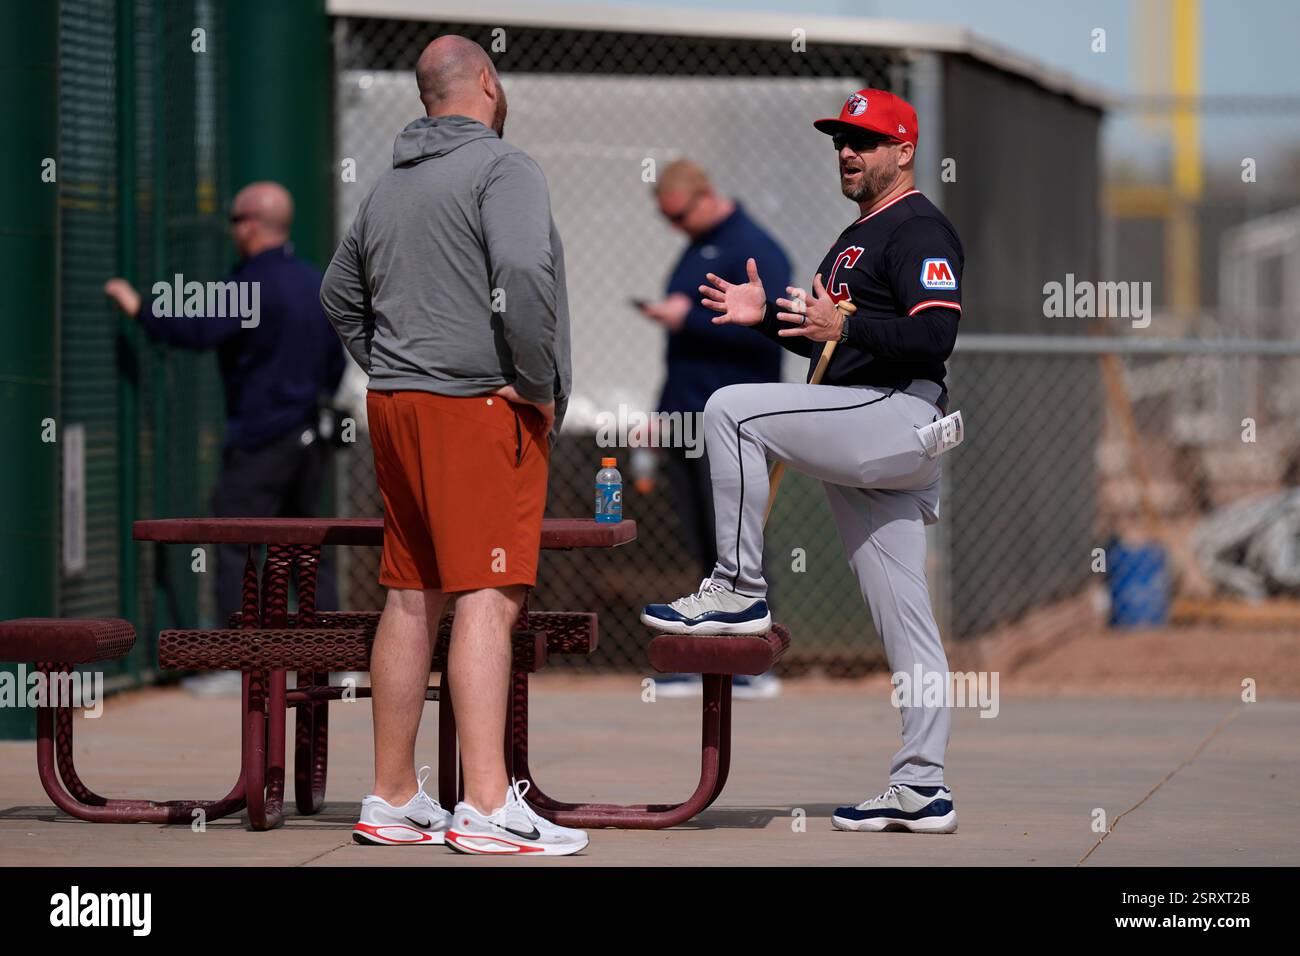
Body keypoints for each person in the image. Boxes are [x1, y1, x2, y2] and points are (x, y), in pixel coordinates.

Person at [641, 89, 964, 834]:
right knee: (907, 621)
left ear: (904, 149)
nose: (848, 152)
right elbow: (835, 346)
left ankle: (738, 587)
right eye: (840, 140)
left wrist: (842, 320)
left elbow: (933, 338)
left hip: (896, 414)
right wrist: (774, 324)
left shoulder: (918, 227)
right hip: (868, 424)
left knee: (728, 407)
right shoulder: (857, 234)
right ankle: (922, 787)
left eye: (866, 140)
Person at [320, 35, 586, 855]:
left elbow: (338, 295)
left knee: (410, 594)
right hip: (477, 408)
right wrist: (535, 381)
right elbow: (524, 271)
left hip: (397, 406)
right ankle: (484, 805)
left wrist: (393, 365)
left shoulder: (389, 182)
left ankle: (394, 796)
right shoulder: (503, 167)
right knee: (488, 594)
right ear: (487, 84)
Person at [105, 182, 346, 695]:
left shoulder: (250, 286)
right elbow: (336, 361)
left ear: (252, 224)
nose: (232, 229)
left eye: (235, 219)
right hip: (312, 435)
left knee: (235, 539)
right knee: (311, 545)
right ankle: (332, 658)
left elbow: (195, 328)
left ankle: (239, 662)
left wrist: (139, 308)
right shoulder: (315, 284)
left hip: (262, 436)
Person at [639, 159, 789, 701]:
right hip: (686, 416)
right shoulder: (695, 246)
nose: (674, 227)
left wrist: (688, 319)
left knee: (739, 540)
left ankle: (752, 662)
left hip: (731, 421)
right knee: (706, 543)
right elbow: (683, 349)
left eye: (678, 215)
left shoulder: (754, 250)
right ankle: (712, 661)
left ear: (703, 197)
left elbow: (770, 334)